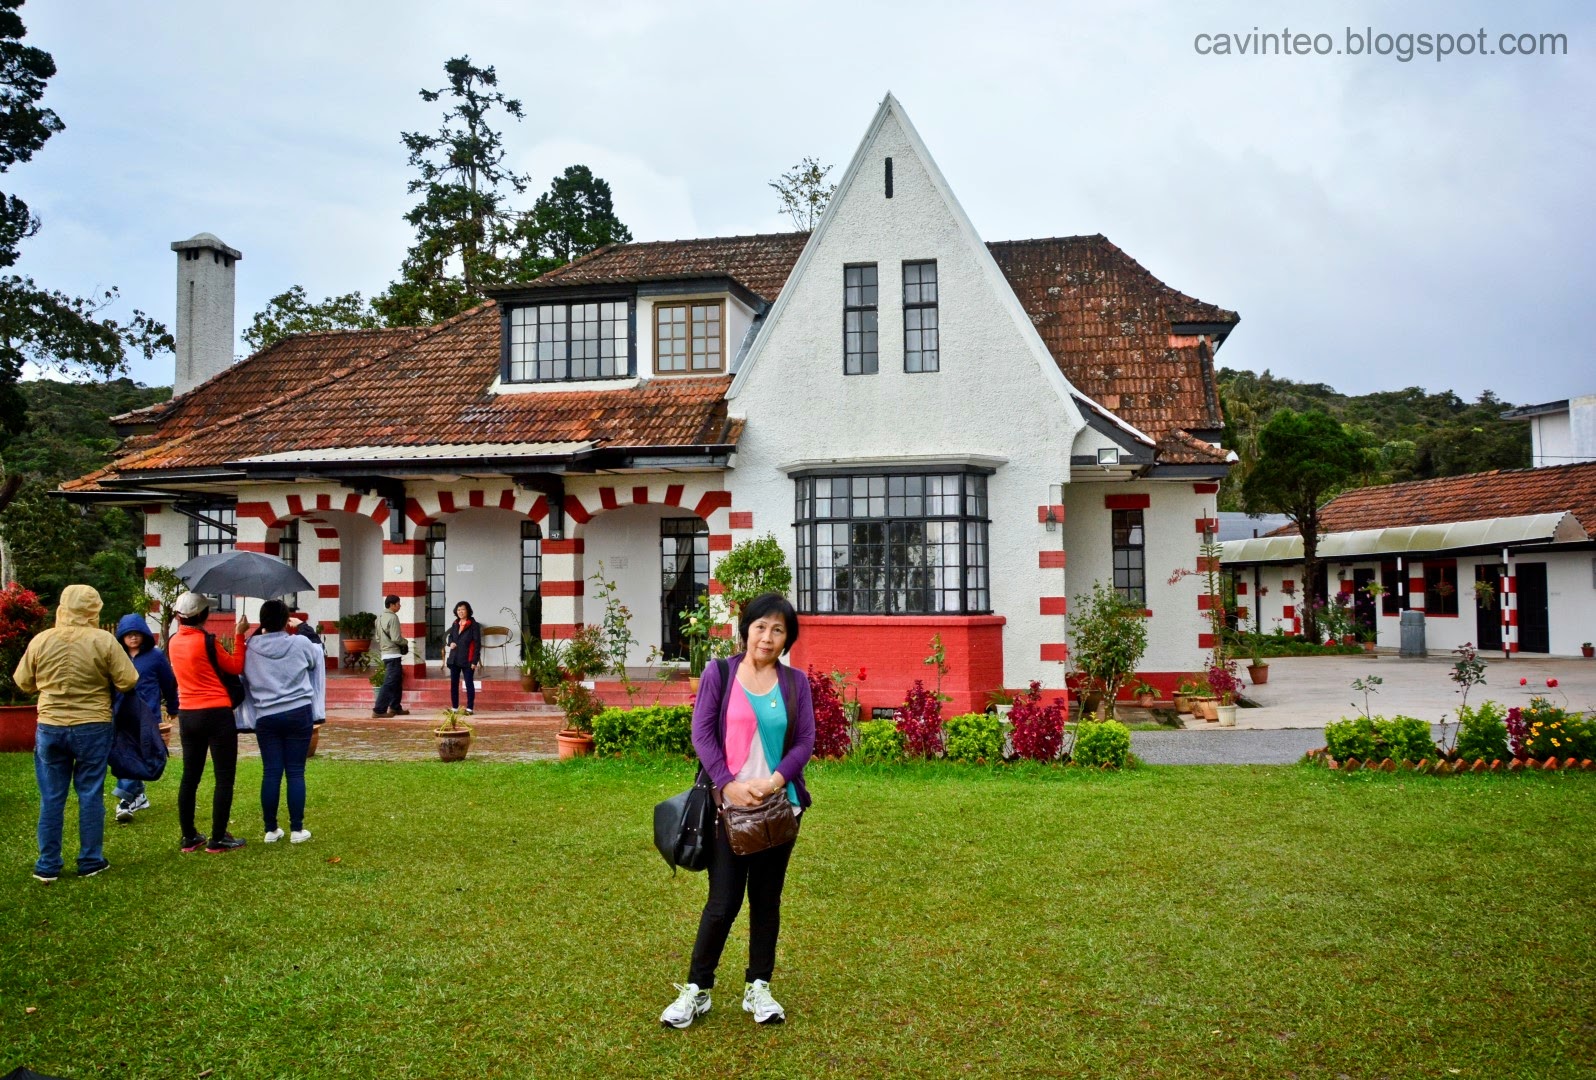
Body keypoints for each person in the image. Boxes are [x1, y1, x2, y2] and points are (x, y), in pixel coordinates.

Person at [660, 592, 815, 1029]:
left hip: (778, 808)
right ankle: (698, 989)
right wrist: (728, 784)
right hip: (727, 810)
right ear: (746, 628)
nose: (767, 637)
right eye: (761, 626)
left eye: (778, 629)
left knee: (767, 901)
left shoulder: (795, 683)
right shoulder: (721, 673)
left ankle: (758, 987)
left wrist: (774, 781)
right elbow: (702, 733)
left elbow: (805, 741)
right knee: (723, 902)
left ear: (788, 639)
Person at [13, 584, 139, 883]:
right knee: (90, 793)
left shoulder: (42, 640)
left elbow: (23, 682)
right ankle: (90, 860)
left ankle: (47, 864)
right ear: (94, 609)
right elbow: (128, 681)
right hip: (93, 724)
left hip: (51, 725)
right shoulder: (104, 641)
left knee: (51, 797)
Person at [166, 591, 250, 853]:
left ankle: (189, 836)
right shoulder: (207, 641)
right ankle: (218, 837)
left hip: (188, 714)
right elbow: (236, 666)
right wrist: (239, 634)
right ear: (203, 615)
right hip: (216, 713)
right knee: (224, 777)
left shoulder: (172, 641)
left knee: (190, 776)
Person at [243, 599, 326, 845]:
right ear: (286, 620)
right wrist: (302, 627)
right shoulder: (299, 642)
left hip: (265, 716)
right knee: (295, 771)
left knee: (271, 772)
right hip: (297, 712)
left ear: (262, 622)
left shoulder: (250, 648)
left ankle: (271, 829)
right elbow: (317, 653)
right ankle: (297, 829)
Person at [111, 613, 180, 822]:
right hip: (121, 713)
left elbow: (169, 682)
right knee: (127, 754)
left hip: (147, 715)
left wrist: (173, 706)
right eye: (128, 635)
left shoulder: (156, 656)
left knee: (140, 754)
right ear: (121, 637)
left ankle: (124, 800)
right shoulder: (115, 656)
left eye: (137, 634)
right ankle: (138, 795)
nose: (133, 638)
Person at [372, 594, 410, 718]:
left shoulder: (379, 618)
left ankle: (395, 707)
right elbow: (396, 638)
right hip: (393, 653)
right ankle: (379, 710)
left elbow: (377, 637)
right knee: (390, 682)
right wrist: (405, 642)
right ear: (392, 605)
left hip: (385, 653)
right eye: (398, 604)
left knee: (397, 681)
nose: (400, 606)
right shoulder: (393, 618)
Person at [444, 601, 483, 715]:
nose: (460, 612)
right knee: (453, 684)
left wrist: (475, 661)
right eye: (458, 610)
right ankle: (454, 708)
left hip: (468, 659)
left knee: (469, 683)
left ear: (468, 611)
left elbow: (477, 644)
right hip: (454, 658)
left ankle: (469, 708)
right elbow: (451, 637)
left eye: (463, 609)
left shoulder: (473, 625)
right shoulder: (455, 623)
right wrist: (450, 643)